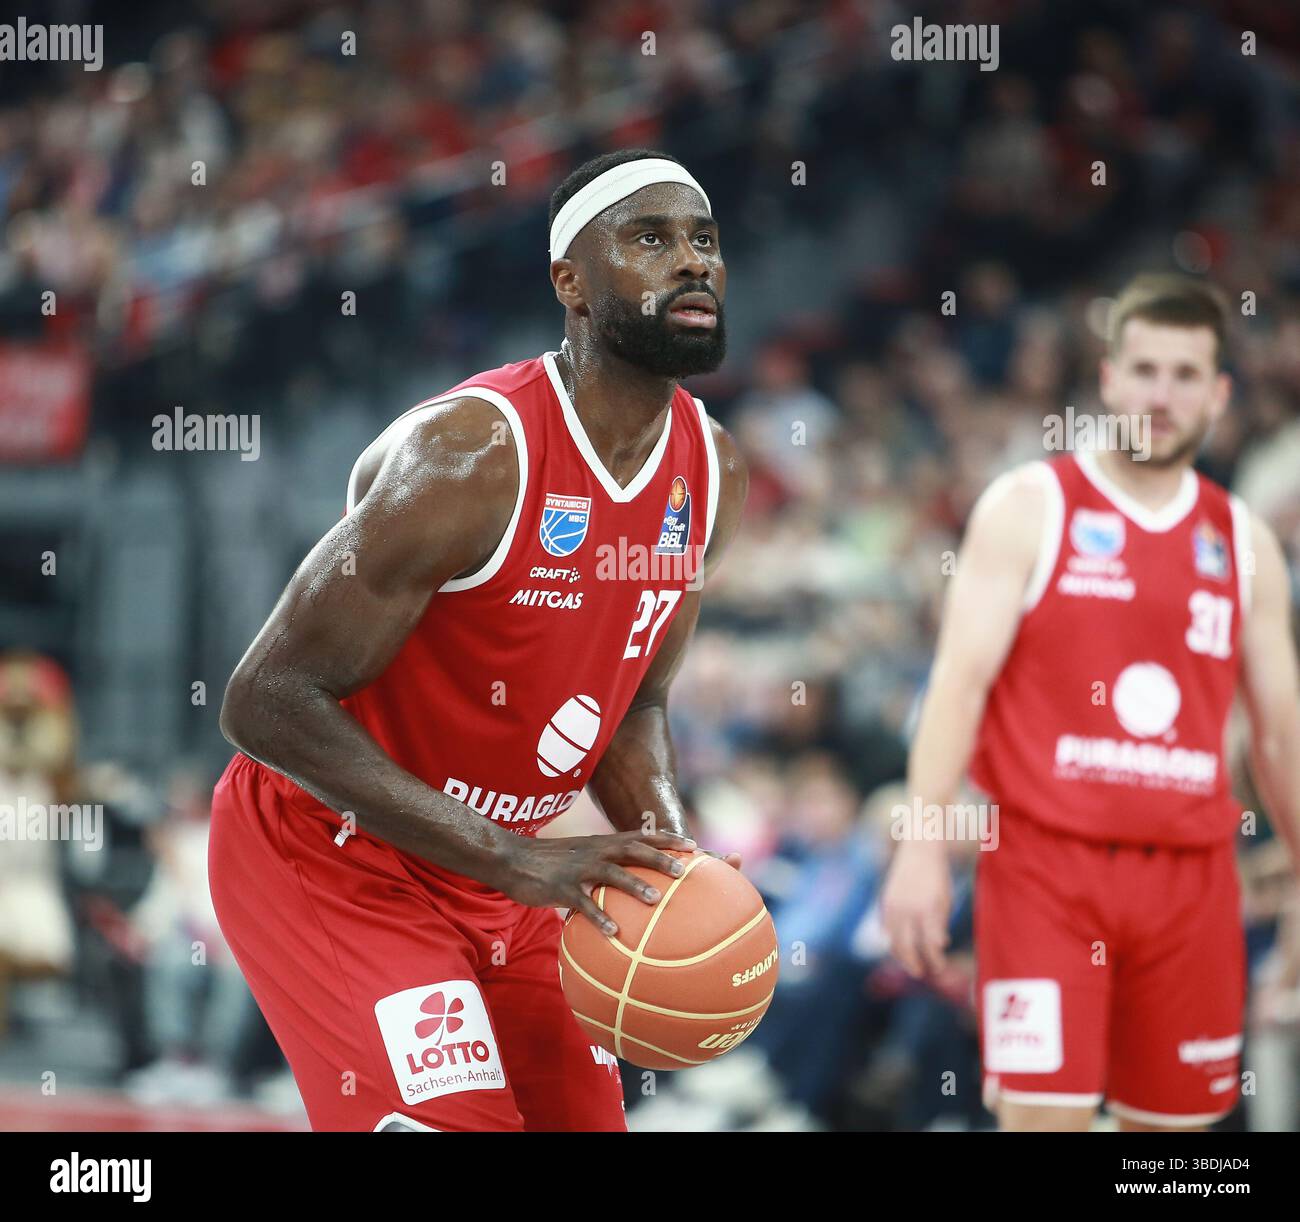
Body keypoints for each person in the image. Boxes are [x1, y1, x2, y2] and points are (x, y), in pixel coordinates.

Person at [209, 149, 748, 1132]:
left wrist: (670, 854)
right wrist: (505, 854)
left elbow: (638, 698)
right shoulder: (469, 455)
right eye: (651, 238)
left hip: (508, 870)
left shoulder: (708, 471)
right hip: (334, 851)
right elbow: (263, 699)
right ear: (570, 282)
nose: (693, 262)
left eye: (704, 240)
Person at [881, 274, 1300, 1131]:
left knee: (1174, 1157)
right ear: (1107, 380)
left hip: (1192, 881)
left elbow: (1282, 736)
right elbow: (956, 686)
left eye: (1187, 375)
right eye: (1144, 369)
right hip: (1046, 870)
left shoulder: (1244, 540)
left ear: (1220, 393)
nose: (1161, 393)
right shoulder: (1030, 508)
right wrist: (922, 844)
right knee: (1044, 1120)